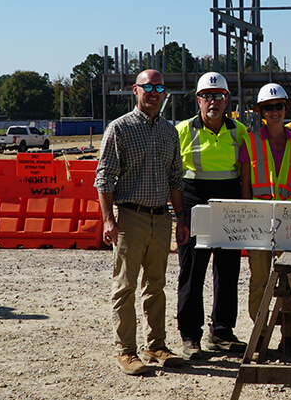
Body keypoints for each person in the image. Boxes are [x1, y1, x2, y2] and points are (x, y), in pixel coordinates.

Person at [95, 69, 188, 375]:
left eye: (159, 87)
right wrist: (109, 220)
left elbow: (176, 178)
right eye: (147, 87)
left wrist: (180, 219)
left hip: (160, 218)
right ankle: (126, 351)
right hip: (130, 217)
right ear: (135, 90)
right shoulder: (119, 129)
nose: (153, 92)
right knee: (125, 286)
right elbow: (104, 177)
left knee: (156, 285)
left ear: (164, 93)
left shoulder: (169, 132)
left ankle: (156, 345)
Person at [177, 72, 250, 359]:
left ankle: (221, 332)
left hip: (228, 202)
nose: (213, 102)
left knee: (228, 270)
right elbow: (173, 175)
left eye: (218, 96)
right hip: (195, 202)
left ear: (227, 100)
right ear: (198, 100)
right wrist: (180, 216)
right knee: (192, 272)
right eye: (207, 96)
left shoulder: (240, 131)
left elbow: (245, 175)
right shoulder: (182, 131)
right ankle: (190, 335)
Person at [240, 83, 291, 356]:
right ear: (260, 111)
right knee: (259, 280)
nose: (275, 111)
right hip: (259, 220)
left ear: (286, 108)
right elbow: (245, 184)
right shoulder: (250, 140)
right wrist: (248, 217)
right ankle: (260, 335)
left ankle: (289, 337)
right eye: (269, 107)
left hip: (289, 221)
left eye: (279, 106)